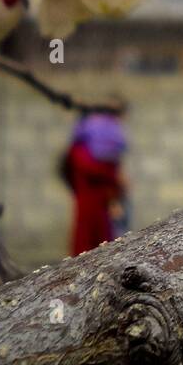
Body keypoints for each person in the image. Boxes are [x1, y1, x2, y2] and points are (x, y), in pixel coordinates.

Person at [60, 102, 129, 256]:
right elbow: (89, 169)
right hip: (87, 203)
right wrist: (114, 176)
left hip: (103, 203)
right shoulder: (79, 149)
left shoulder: (106, 150)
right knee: (85, 244)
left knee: (104, 244)